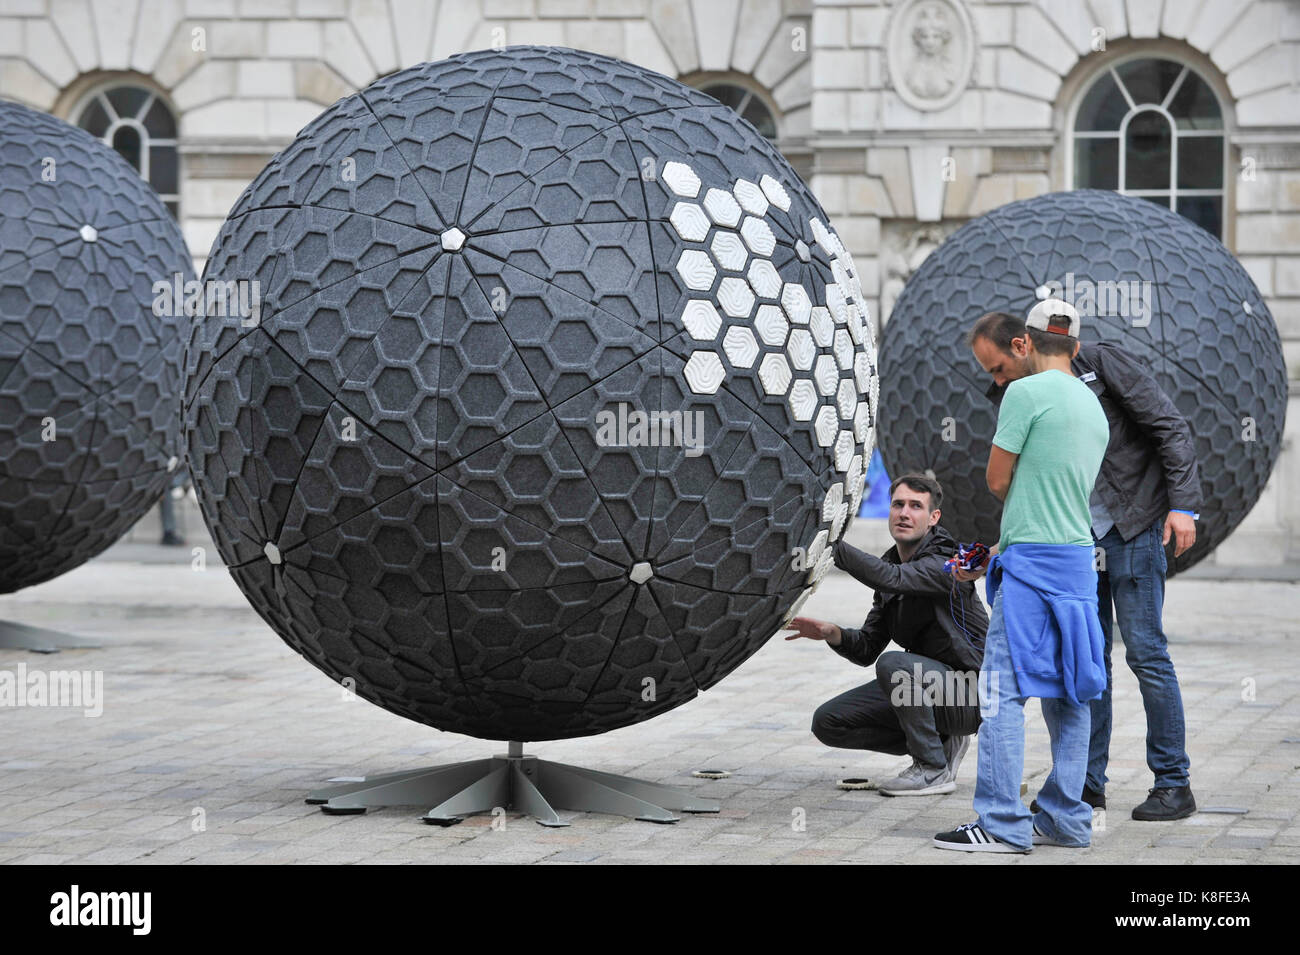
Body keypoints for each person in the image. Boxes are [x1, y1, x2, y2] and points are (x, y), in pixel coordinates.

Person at [966, 308, 1199, 822]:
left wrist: (1183, 505)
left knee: (1146, 653)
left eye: (998, 368)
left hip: (1133, 524)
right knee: (1089, 663)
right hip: (1074, 541)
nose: (997, 382)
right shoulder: (1024, 392)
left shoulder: (1099, 364)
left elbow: (1169, 427)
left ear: (1024, 345)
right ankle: (1086, 785)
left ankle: (1173, 782)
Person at [934, 299, 1109, 852]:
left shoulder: (1023, 393)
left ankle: (1001, 823)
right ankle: (1066, 819)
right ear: (1075, 348)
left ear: (1026, 342)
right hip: (1079, 562)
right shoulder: (1093, 404)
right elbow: (1063, 488)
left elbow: (997, 478)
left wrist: (1018, 521)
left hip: (1032, 562)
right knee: (1072, 693)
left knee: (1002, 692)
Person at [786, 473, 987, 796]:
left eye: (916, 506)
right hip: (925, 686)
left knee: (894, 664)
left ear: (933, 518)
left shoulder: (945, 563)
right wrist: (831, 633)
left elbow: (890, 579)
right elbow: (867, 648)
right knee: (829, 722)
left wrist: (828, 540)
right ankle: (940, 743)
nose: (904, 513)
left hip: (971, 693)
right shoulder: (892, 566)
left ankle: (932, 768)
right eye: (898, 504)